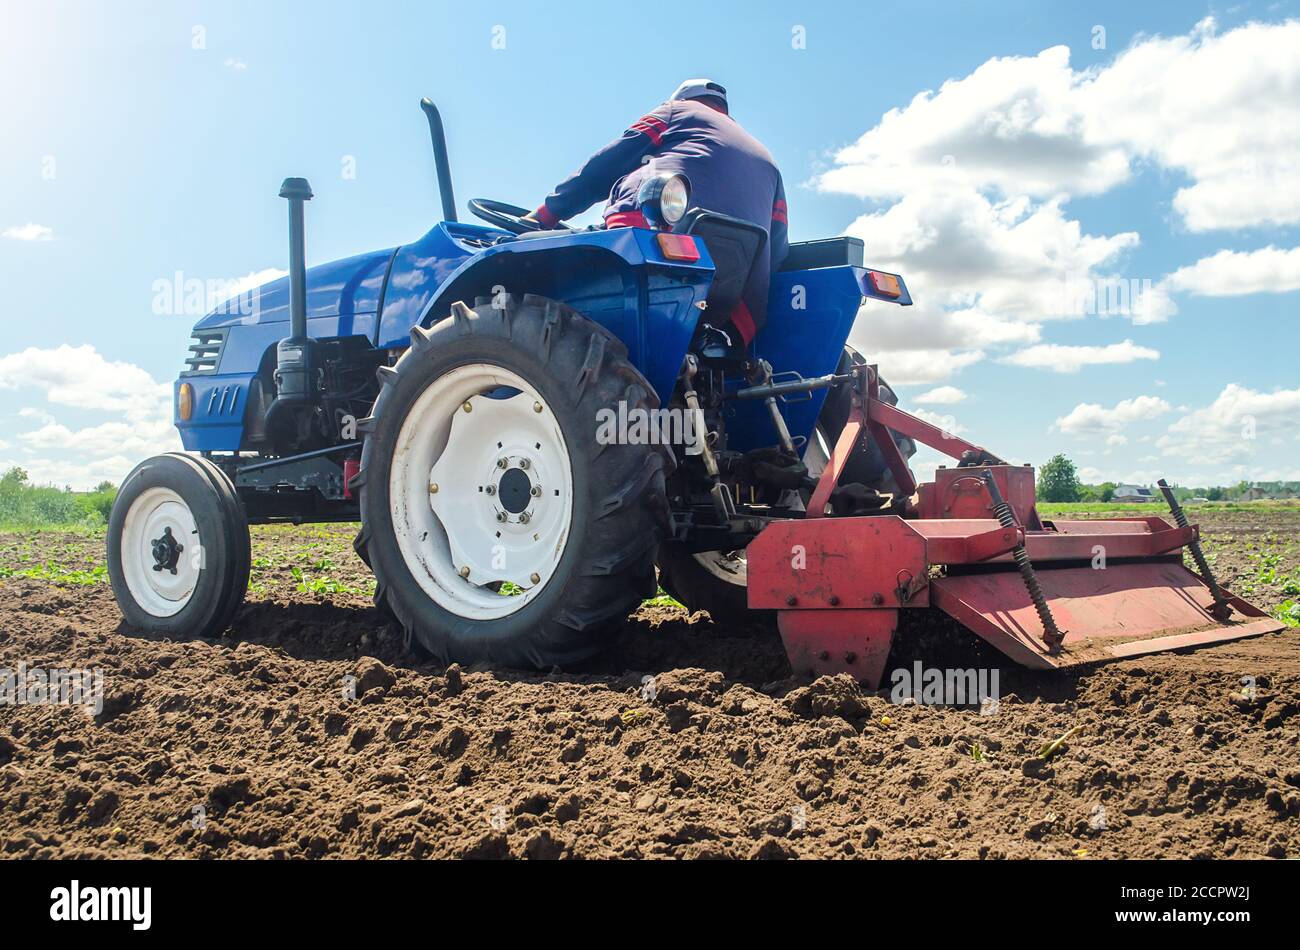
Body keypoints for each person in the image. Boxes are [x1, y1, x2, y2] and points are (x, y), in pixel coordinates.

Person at [525, 79, 788, 343]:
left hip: (646, 247)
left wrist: (546, 214)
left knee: (528, 267)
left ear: (682, 98)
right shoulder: (767, 159)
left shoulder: (678, 111)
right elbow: (777, 251)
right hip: (734, 305)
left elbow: (609, 163)